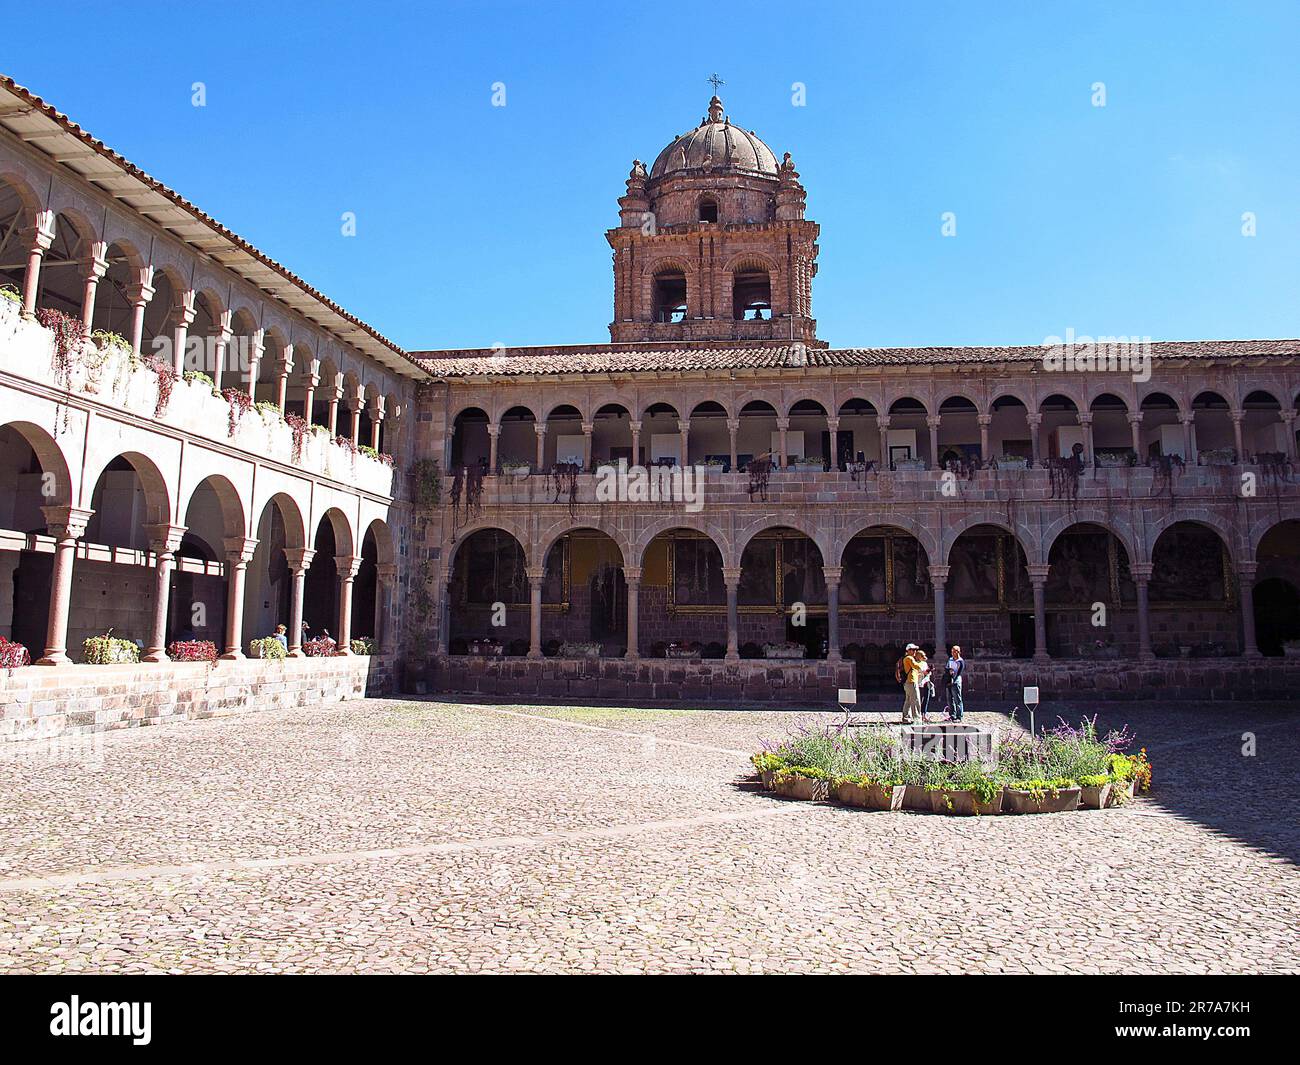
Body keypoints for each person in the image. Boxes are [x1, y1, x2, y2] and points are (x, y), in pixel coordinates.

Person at [897, 642, 923, 723]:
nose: (915, 651)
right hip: (911, 682)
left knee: (908, 701)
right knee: (915, 700)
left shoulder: (906, 658)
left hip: (908, 683)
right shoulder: (909, 658)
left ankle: (906, 718)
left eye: (915, 650)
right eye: (912, 650)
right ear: (908, 650)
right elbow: (917, 666)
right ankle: (917, 718)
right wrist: (922, 663)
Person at [945, 644, 965, 721]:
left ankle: (959, 716)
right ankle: (952, 715)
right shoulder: (950, 659)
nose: (953, 653)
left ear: (958, 652)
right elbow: (946, 668)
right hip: (949, 680)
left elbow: (959, 672)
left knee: (957, 699)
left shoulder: (960, 661)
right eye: (952, 651)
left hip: (956, 681)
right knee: (950, 699)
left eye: (955, 651)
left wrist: (953, 678)